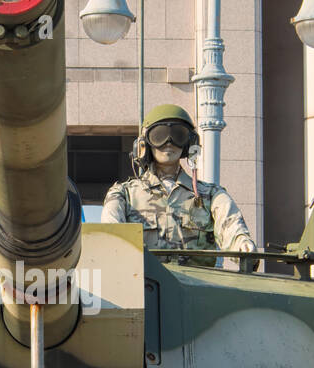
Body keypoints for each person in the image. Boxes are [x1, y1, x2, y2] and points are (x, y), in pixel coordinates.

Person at [101, 104, 257, 268]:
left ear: (190, 144)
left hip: (198, 287)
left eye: (178, 135)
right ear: (144, 145)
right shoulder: (124, 194)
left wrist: (243, 245)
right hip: (144, 287)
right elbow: (112, 234)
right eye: (159, 135)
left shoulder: (211, 195)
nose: (169, 142)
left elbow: (231, 226)